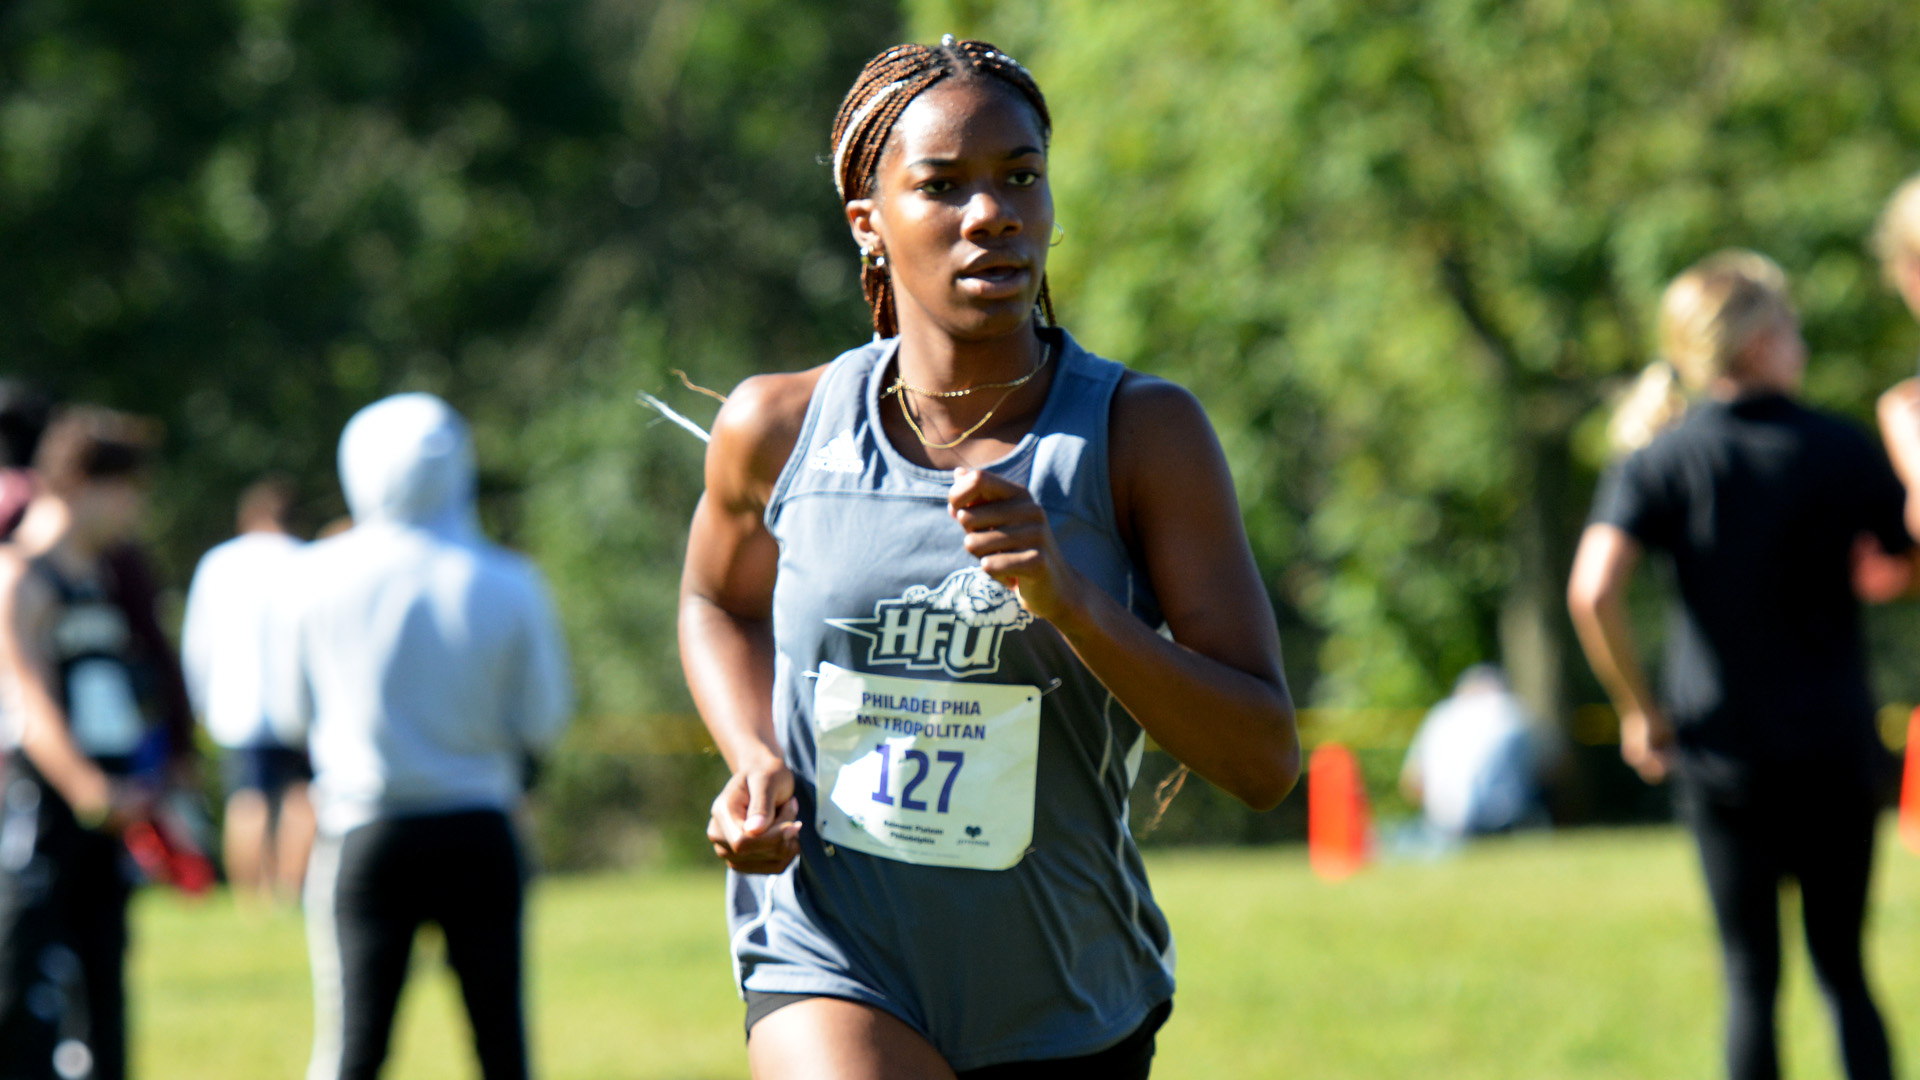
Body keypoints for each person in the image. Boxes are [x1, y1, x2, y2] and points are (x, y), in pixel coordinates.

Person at [678, 37, 1300, 1079]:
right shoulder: (778, 425)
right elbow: (715, 599)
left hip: (1064, 991)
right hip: (831, 949)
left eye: (1020, 178)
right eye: (944, 186)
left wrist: (1071, 603)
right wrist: (753, 757)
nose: (992, 215)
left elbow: (1263, 760)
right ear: (867, 223)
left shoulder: (1142, 434)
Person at [1567, 251, 1904, 1080]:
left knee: (1750, 978)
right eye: (1788, 325)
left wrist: (1640, 709)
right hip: (1834, 745)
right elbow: (1904, 558)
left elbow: (1590, 591)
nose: (1800, 341)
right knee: (1845, 973)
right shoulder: (1842, 448)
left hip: (1721, 754)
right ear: (1756, 341)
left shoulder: (1664, 457)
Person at [274, 393, 571, 1080]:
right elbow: (543, 720)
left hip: (366, 830)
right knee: (502, 1046)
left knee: (353, 1048)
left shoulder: (314, 578)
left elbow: (291, 715)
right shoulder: (509, 580)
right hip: (480, 827)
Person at [0, 407, 168, 1080]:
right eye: (128, 488)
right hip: (41, 815)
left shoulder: (96, 577)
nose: (136, 507)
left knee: (103, 994)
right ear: (81, 484)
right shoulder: (21, 577)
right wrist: (92, 791)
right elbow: (30, 706)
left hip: (107, 818)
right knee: (20, 992)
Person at [182, 475, 315, 906]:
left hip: (236, 702)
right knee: (301, 797)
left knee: (247, 800)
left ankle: (250, 899)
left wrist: (195, 698)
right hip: (300, 702)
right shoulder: (307, 561)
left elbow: (198, 641)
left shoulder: (219, 564)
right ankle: (289, 891)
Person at [1398, 664, 1542, 841]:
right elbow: (1551, 767)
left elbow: (1411, 784)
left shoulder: (1439, 715)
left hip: (1443, 827)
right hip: (1503, 823)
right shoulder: (1510, 710)